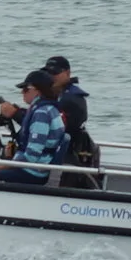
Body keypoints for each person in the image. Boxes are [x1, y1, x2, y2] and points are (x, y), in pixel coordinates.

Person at [0, 71, 69, 183]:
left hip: (32, 173)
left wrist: (3, 166)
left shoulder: (42, 114)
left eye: (25, 89)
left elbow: (32, 155)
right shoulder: (51, 109)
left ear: (38, 91)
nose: (22, 92)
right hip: (33, 168)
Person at [43, 55, 98, 186]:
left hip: (71, 152)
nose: (51, 77)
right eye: (48, 73)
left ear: (67, 73)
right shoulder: (57, 95)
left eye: (55, 73)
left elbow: (56, 127)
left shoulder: (72, 99)